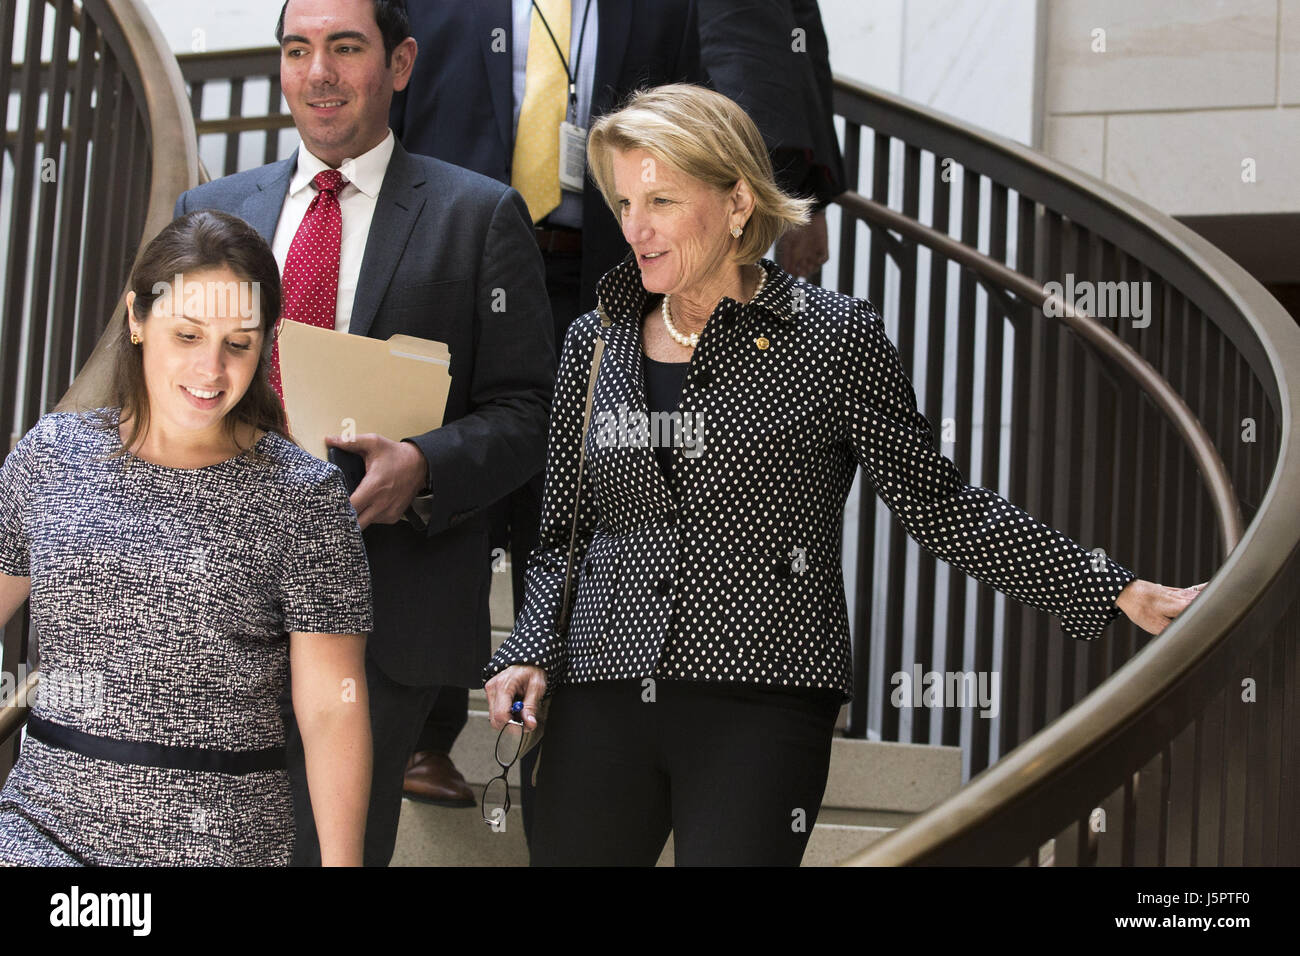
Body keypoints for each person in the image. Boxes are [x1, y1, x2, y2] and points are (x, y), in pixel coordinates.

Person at [482, 84, 1206, 866]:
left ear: (736, 203)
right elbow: (562, 535)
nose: (635, 228)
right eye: (624, 201)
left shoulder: (834, 337)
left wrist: (1108, 586)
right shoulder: (595, 339)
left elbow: (941, 506)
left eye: (660, 198)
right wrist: (524, 647)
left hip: (761, 694)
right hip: (600, 685)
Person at [175, 0, 554, 866]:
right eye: (298, 49)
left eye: (346, 48)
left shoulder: (479, 216)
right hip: (213, 599)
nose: (319, 73)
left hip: (381, 612)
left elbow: (528, 411)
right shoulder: (212, 210)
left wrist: (423, 465)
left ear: (402, 63)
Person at [391, 0, 701, 824]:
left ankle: (551, 750)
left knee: (570, 511)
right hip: (458, 270)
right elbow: (398, 110)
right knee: (450, 478)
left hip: (600, 272)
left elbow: (695, 122)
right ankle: (423, 732)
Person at [0, 210, 373, 866]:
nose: (211, 369)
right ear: (138, 320)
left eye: (239, 342)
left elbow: (332, 709)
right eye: (188, 334)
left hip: (222, 844)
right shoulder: (50, 456)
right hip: (43, 830)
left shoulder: (304, 498)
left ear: (268, 341)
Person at [698, 0, 845, 280]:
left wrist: (810, 201)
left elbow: (808, 38)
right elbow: (808, 38)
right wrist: (811, 198)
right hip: (757, 131)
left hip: (731, 132)